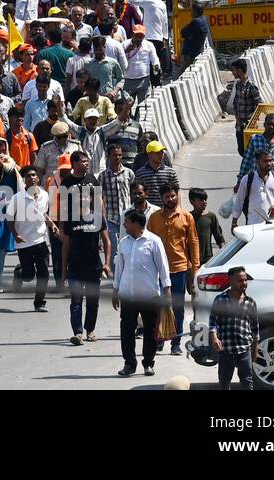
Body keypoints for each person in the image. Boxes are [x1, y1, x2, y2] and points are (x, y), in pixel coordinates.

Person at [113, 208, 172, 377]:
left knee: (150, 331)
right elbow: (119, 269)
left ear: (137, 224)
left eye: (127, 222)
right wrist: (115, 290)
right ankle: (129, 364)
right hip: (128, 295)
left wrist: (167, 290)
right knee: (126, 331)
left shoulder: (153, 241)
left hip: (150, 296)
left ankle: (148, 363)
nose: (124, 224)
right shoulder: (124, 242)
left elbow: (163, 267)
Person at [60, 150, 110, 344]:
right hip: (75, 264)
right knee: (75, 300)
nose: (87, 163)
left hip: (93, 265)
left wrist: (106, 263)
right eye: (83, 160)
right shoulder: (67, 185)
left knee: (93, 301)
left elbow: (106, 240)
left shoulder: (92, 180)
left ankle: (90, 330)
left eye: (88, 160)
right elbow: (66, 244)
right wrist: (63, 269)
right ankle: (78, 332)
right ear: (74, 163)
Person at [146, 182, 200, 356]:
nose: (171, 199)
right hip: (158, 271)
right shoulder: (154, 218)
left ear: (177, 195)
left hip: (180, 269)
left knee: (178, 308)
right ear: (162, 198)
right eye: (167, 196)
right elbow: (148, 243)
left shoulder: (186, 217)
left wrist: (195, 267)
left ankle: (176, 343)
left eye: (173, 195)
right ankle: (160, 339)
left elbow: (193, 242)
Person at [5, 164, 53, 313]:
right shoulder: (17, 198)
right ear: (24, 180)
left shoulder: (44, 195)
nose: (31, 178)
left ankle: (39, 302)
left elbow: (42, 213)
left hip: (40, 239)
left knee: (43, 273)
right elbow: (9, 218)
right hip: (23, 242)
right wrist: (15, 235)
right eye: (28, 176)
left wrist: (52, 225)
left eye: (33, 175)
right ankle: (19, 271)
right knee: (28, 276)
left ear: (38, 178)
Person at [209, 266, 260, 391]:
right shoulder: (220, 300)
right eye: (240, 281)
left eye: (245, 280)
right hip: (226, 349)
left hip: (244, 349)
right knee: (224, 382)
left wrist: (255, 347)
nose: (244, 283)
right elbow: (213, 322)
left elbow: (255, 326)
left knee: (247, 381)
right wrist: (214, 338)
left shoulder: (250, 302)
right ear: (231, 281)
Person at [233, 147, 274, 228]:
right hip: (254, 226)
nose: (269, 163)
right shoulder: (247, 179)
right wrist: (234, 222)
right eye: (265, 161)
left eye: (270, 160)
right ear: (257, 162)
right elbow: (239, 202)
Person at [229, 59, 262, 159]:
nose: (233, 73)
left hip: (249, 126)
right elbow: (236, 102)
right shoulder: (238, 84)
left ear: (239, 70)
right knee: (241, 150)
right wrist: (237, 118)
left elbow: (259, 105)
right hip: (239, 125)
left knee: (250, 151)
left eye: (234, 70)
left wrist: (252, 121)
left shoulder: (252, 87)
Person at [189, 187, 226, 261]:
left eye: (205, 199)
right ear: (192, 201)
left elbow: (218, 236)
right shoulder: (188, 217)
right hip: (191, 258)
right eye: (201, 200)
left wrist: (224, 254)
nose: (204, 202)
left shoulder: (211, 216)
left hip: (207, 258)